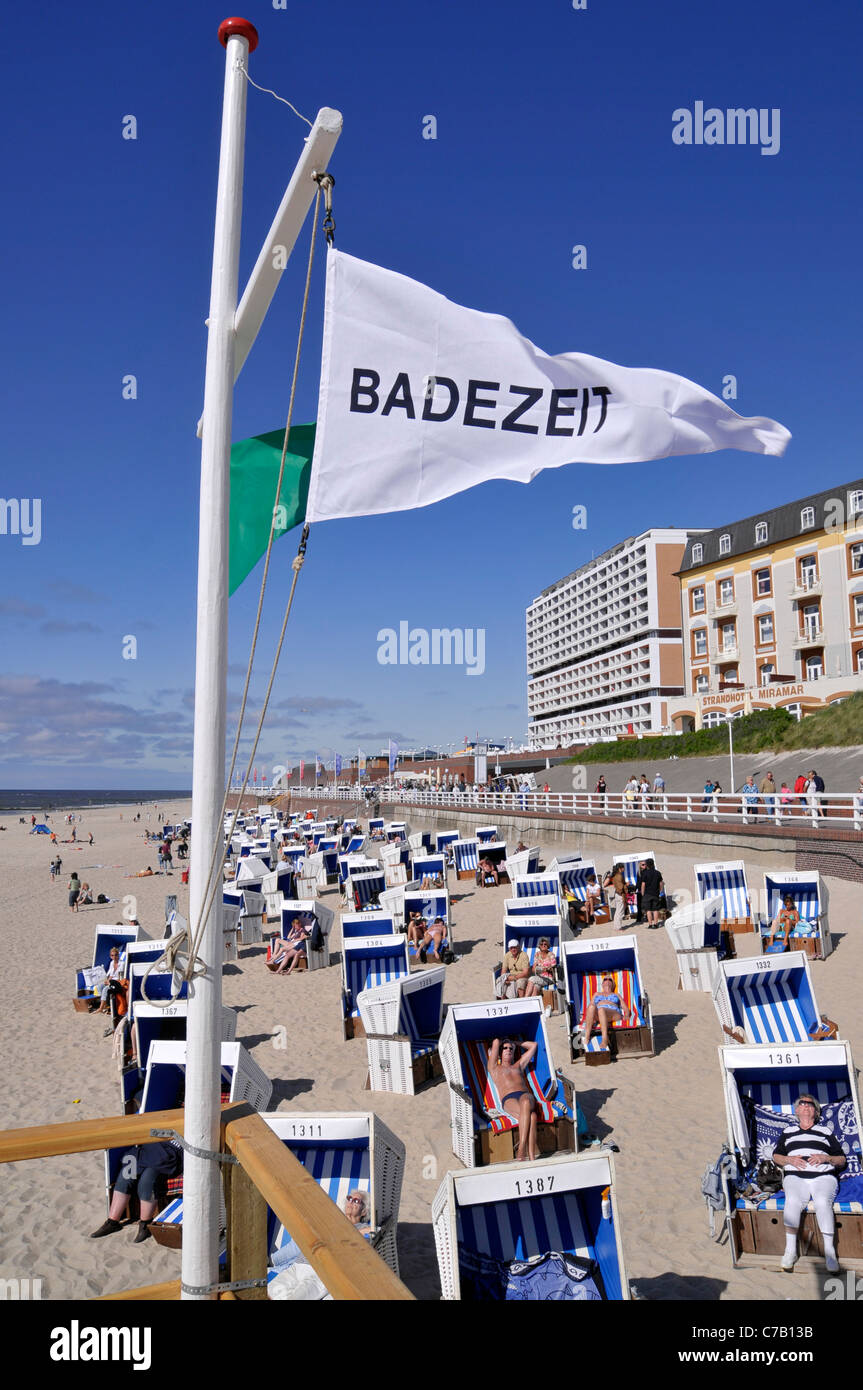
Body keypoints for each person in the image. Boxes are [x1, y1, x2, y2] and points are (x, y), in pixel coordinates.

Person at [772, 1094, 845, 1273]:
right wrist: (788, 1159)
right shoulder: (788, 1132)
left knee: (821, 1201)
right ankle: (790, 1251)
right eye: (801, 1103)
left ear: (816, 1111)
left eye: (810, 1104)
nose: (805, 1106)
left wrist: (826, 1157)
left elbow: (842, 1159)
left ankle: (829, 1253)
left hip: (823, 1176)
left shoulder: (825, 1132)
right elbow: (776, 1156)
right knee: (793, 1201)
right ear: (796, 1110)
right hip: (795, 1176)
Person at [90, 1139, 183, 1244]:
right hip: (148, 1147)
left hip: (169, 1154)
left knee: (147, 1182)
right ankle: (112, 1222)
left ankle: (145, 1224)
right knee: (125, 1177)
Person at [487, 1037, 540, 1161]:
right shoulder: (494, 1068)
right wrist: (503, 1042)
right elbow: (495, 1042)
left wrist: (514, 1043)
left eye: (511, 1048)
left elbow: (533, 1045)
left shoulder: (519, 1065)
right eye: (505, 1048)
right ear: (499, 1052)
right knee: (532, 1117)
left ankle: (521, 1149)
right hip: (508, 1099)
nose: (508, 1049)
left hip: (524, 1095)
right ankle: (531, 1157)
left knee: (526, 1102)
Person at [577, 975, 632, 1050]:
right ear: (602, 984)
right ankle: (587, 1036)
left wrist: (627, 1015)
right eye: (605, 979)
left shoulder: (616, 995)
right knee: (592, 1007)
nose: (607, 980)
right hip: (600, 1013)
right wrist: (589, 1017)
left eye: (610, 980)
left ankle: (605, 1039)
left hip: (614, 1013)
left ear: (613, 984)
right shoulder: (597, 994)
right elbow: (590, 1007)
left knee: (601, 1010)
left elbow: (626, 1008)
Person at [638, 859, 665, 928]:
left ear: (647, 865)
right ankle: (655, 924)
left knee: (648, 910)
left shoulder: (645, 873)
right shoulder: (658, 873)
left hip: (647, 894)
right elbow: (661, 883)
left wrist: (643, 894)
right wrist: (660, 891)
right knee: (655, 910)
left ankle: (650, 924)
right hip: (655, 893)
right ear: (653, 864)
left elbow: (643, 885)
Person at [602, 863, 630, 930]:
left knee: (618, 911)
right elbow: (620, 887)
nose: (624, 869)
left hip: (617, 894)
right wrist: (626, 885)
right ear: (620, 868)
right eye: (623, 868)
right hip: (620, 894)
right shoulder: (619, 876)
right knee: (620, 911)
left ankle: (616, 926)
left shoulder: (615, 875)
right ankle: (618, 927)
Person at [99, 947, 124, 1013]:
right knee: (99, 987)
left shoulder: (122, 963)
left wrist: (110, 982)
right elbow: (110, 974)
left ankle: (101, 1008)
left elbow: (121, 976)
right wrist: (107, 981)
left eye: (116, 955)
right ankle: (105, 1005)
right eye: (112, 955)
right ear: (110, 956)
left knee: (105, 989)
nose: (114, 957)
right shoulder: (111, 963)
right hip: (111, 980)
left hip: (117, 982)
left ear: (118, 955)